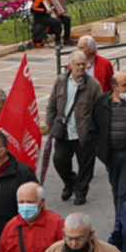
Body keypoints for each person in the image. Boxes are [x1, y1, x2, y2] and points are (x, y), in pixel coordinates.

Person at [44, 51, 102, 207]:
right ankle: (70, 182)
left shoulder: (93, 85)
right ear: (70, 65)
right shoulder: (61, 81)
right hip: (64, 131)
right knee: (59, 160)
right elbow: (52, 103)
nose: (81, 67)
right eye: (78, 64)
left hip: (84, 133)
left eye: (84, 64)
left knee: (86, 165)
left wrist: (97, 131)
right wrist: (49, 122)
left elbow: (100, 110)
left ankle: (81, 191)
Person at [88, 71, 126, 208]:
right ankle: (122, 218)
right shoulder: (102, 102)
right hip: (111, 156)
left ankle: (125, 219)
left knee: (124, 190)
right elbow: (92, 129)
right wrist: (99, 149)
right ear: (114, 87)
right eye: (124, 85)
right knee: (116, 190)